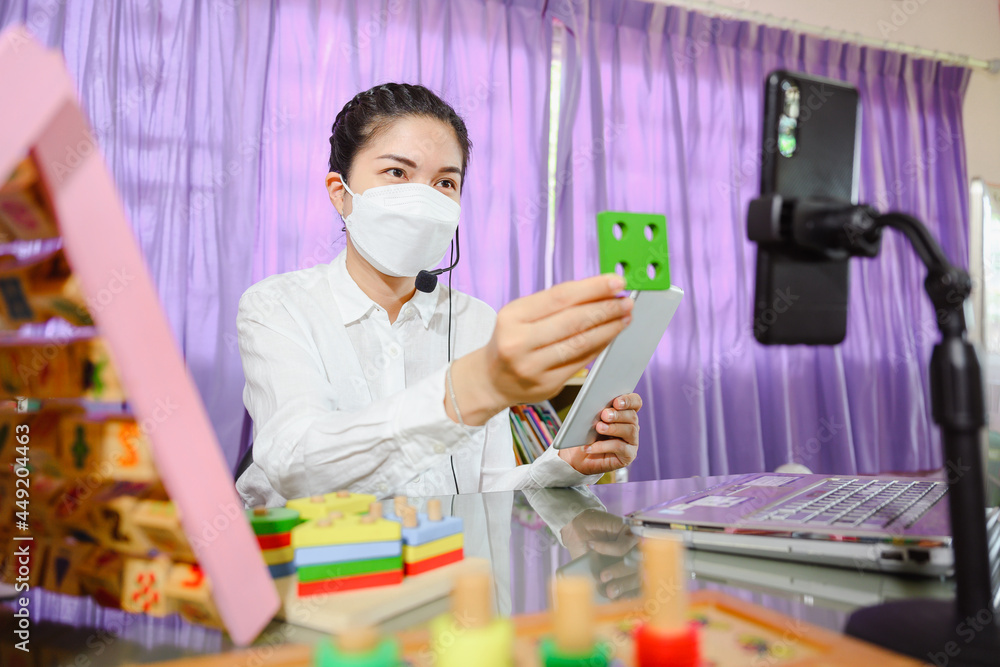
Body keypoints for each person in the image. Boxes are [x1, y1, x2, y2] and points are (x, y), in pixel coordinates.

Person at [236, 83, 642, 507]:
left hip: (447, 550)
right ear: (340, 193)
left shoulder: (477, 320)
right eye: (397, 173)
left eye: (445, 182)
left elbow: (485, 489)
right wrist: (469, 390)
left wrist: (567, 464)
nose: (424, 199)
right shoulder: (277, 307)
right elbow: (296, 465)